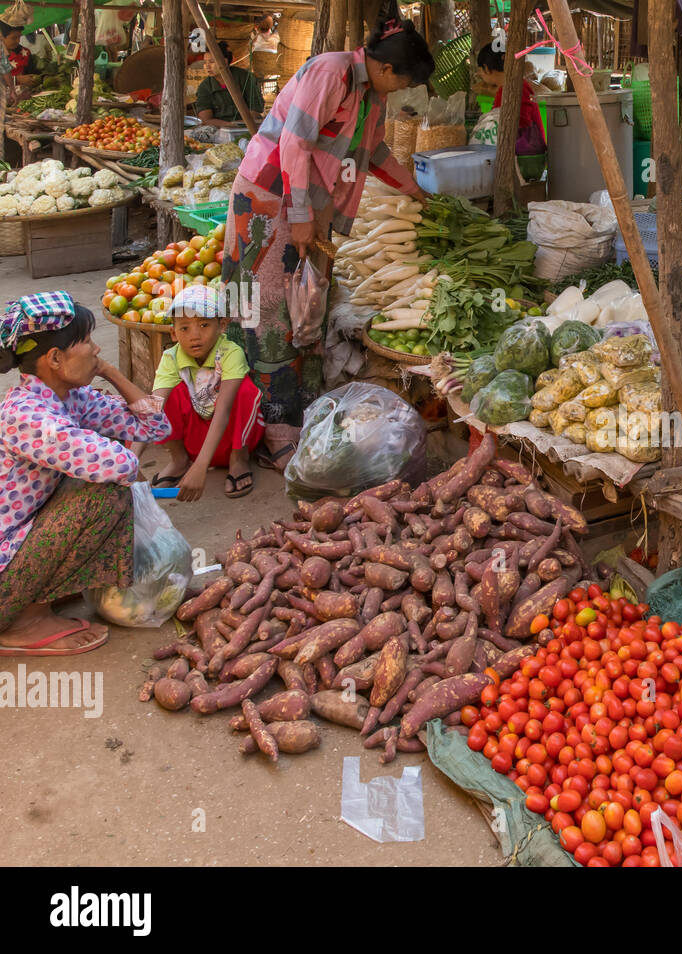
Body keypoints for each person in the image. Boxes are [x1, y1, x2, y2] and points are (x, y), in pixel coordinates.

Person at [222, 18, 433, 470]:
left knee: (307, 310)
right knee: (267, 314)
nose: (399, 92)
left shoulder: (370, 96)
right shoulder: (330, 73)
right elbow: (294, 146)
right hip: (268, 197)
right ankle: (265, 432)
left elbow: (373, 154)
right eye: (404, 83)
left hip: (312, 206)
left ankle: (303, 418)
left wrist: (412, 189)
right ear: (389, 70)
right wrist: (298, 216)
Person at [0, 293, 171, 657]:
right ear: (56, 358)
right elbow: (124, 465)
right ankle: (23, 621)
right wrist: (110, 447)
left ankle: (34, 598)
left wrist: (109, 371)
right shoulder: (26, 415)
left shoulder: (69, 397)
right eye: (87, 342)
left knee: (99, 470)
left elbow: (157, 426)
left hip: (13, 549)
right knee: (105, 493)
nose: (96, 350)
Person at [149, 286, 264, 501]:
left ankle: (238, 459)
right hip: (196, 440)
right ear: (173, 333)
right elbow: (153, 408)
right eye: (184, 328)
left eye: (204, 325)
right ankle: (179, 459)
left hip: (231, 437)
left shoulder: (231, 352)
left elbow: (224, 409)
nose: (195, 336)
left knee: (245, 390)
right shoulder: (171, 358)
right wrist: (130, 461)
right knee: (166, 396)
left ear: (222, 325)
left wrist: (201, 467)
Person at [476, 42, 546, 155]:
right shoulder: (508, 87)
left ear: (486, 68)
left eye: (480, 71)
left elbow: (521, 125)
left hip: (525, 155)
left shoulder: (516, 87)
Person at [194, 40, 264, 127]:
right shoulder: (205, 86)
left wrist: (241, 124)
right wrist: (230, 125)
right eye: (205, 62)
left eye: (212, 62)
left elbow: (256, 109)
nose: (207, 66)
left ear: (225, 61)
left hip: (248, 126)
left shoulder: (245, 77)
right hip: (219, 128)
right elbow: (205, 119)